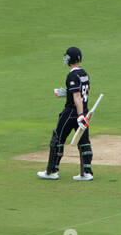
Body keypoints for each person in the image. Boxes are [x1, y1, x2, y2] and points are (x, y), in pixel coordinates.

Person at [37, 46, 93, 181]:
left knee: (58, 139)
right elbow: (86, 92)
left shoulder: (72, 75)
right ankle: (87, 172)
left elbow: (77, 96)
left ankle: (52, 171)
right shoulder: (84, 73)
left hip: (72, 112)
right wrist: (82, 112)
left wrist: (79, 115)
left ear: (70, 59)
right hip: (83, 111)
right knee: (84, 142)